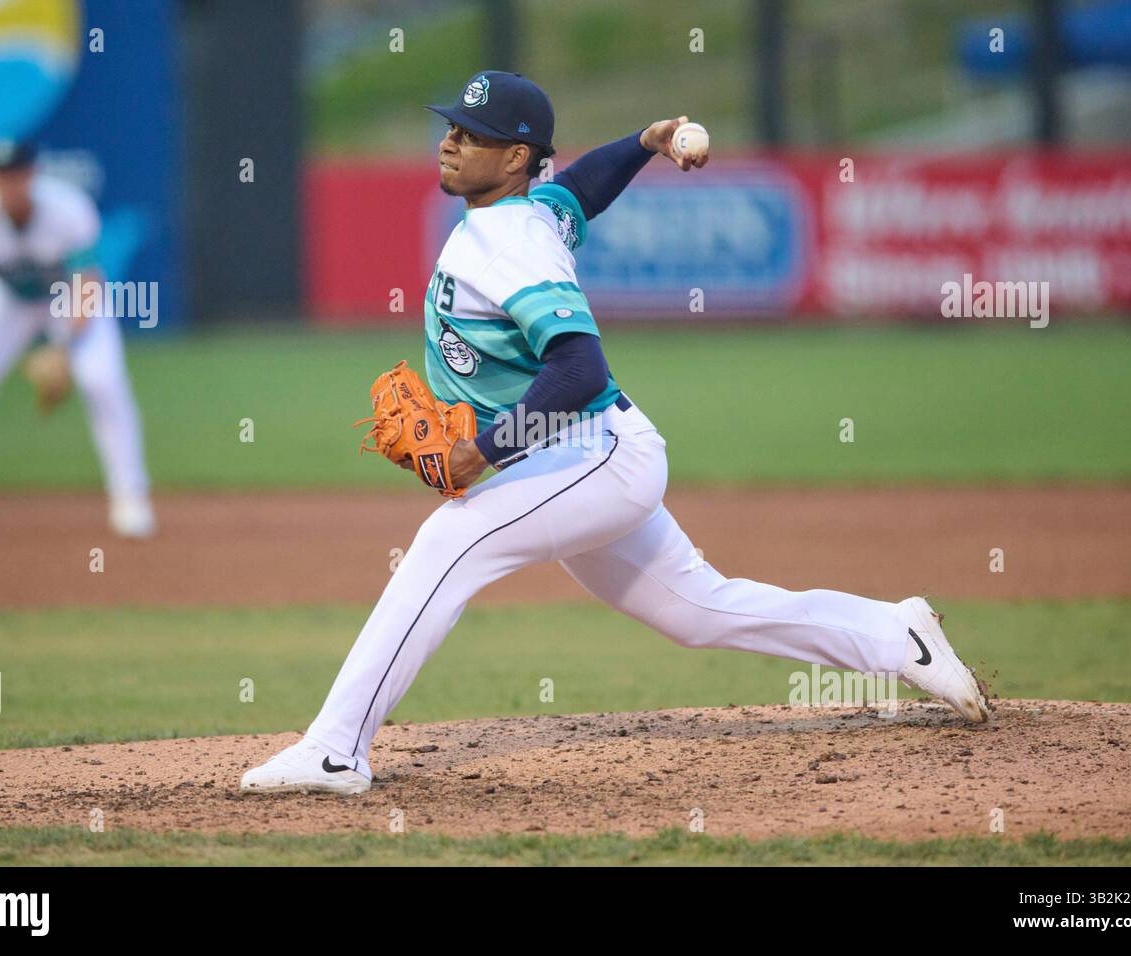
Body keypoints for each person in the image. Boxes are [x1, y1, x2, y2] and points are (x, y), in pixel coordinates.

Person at [241, 72, 990, 795]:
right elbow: (581, 192)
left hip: (598, 457)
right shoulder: (527, 213)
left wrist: (479, 450)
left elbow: (577, 369)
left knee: (446, 542)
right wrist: (646, 140)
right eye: (451, 127)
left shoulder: (513, 245)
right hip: (574, 459)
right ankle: (897, 636)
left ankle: (336, 751)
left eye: (474, 134)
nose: (450, 142)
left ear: (513, 160)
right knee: (696, 609)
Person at [0, 140, 155, 539]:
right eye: (1, 175)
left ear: (33, 175)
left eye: (17, 173)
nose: (10, 182)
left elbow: (87, 283)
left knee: (102, 380)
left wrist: (63, 348)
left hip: (69, 298)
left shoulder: (68, 210)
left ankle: (131, 498)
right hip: (7, 302)